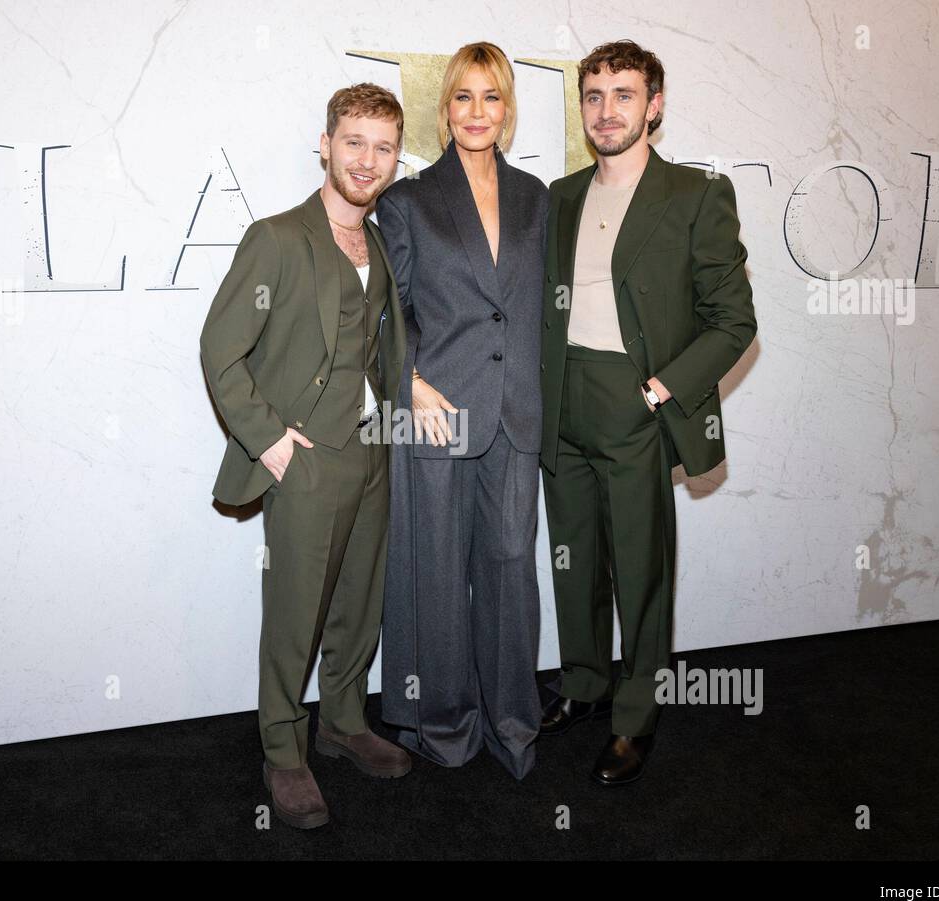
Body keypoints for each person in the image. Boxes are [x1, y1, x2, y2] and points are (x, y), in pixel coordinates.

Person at [538, 40, 758, 785]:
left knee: (640, 569)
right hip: (561, 403)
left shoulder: (695, 196)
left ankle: (636, 716)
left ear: (653, 105)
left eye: (624, 95)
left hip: (634, 404)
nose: (607, 110)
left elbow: (734, 320)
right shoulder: (560, 196)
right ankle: (585, 684)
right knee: (573, 562)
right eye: (594, 96)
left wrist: (662, 388)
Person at [200, 83, 410, 829]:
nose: (367, 159)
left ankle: (344, 721)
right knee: (296, 614)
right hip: (306, 459)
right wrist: (268, 441)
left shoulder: (379, 241)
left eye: (383, 147)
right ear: (325, 145)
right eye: (353, 141)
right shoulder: (278, 237)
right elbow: (220, 351)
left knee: (358, 604)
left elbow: (377, 346)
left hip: (371, 453)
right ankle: (284, 754)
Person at [377, 42, 549, 780]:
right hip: (438, 410)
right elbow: (387, 310)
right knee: (437, 574)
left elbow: (544, 308)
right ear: (443, 109)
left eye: (491, 98)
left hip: (515, 416)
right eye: (462, 97)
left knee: (511, 571)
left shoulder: (538, 197)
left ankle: (513, 722)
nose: (476, 112)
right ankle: (442, 721)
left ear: (507, 111)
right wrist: (407, 381)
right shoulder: (408, 200)